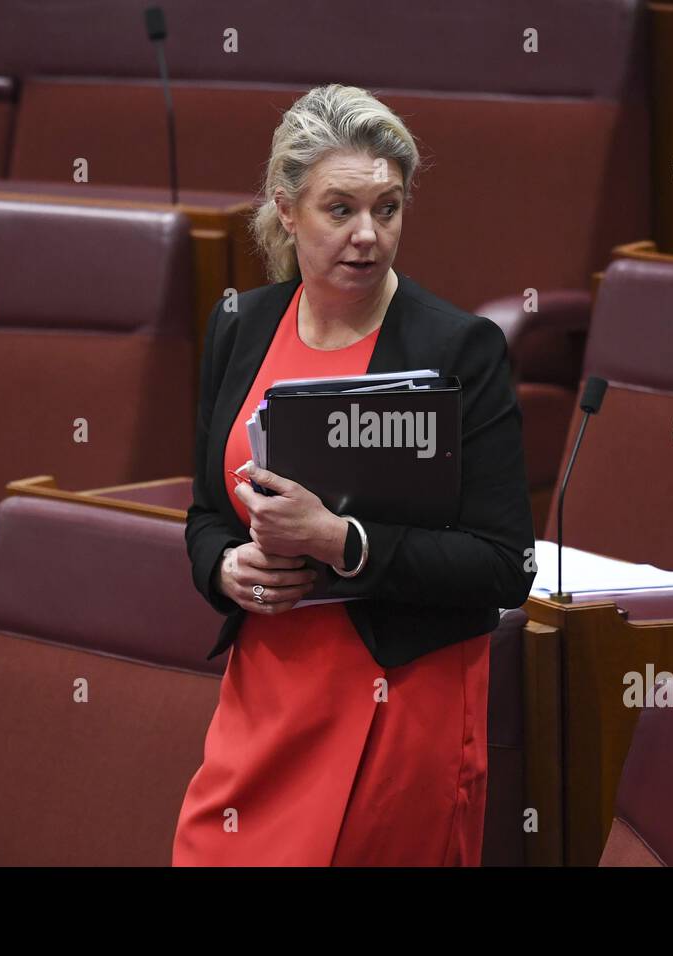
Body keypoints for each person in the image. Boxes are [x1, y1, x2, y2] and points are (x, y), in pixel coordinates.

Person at [172, 84, 535, 866]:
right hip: (265, 698)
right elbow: (205, 515)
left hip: (401, 701)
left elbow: (504, 565)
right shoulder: (239, 326)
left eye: (389, 208)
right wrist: (226, 566)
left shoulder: (458, 350)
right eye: (340, 209)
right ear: (287, 208)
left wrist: (344, 541)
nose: (369, 235)